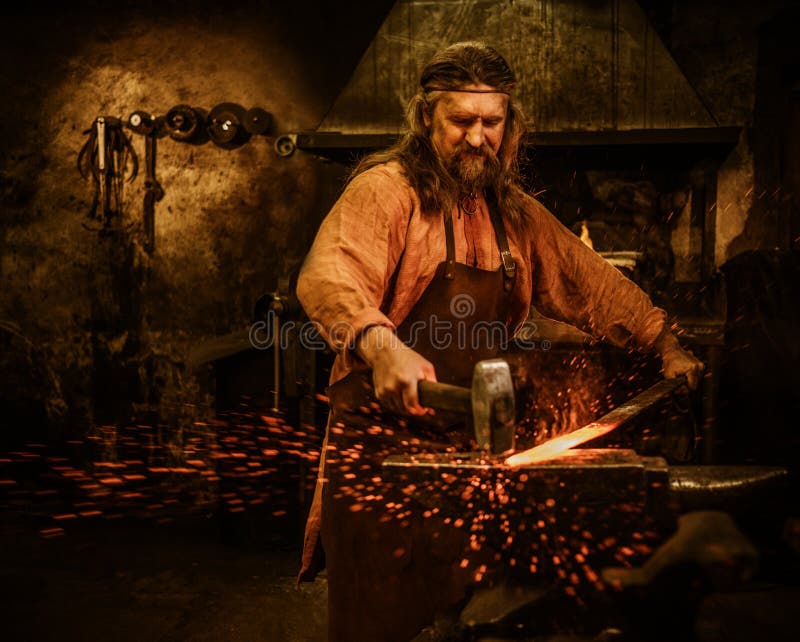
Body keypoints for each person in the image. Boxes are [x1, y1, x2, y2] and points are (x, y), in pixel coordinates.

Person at [296, 41, 703, 642]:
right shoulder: (386, 191)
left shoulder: (514, 213)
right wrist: (380, 345)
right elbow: (328, 273)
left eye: (492, 122)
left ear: (510, 125)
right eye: (461, 121)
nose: (478, 137)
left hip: (472, 449)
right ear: (426, 118)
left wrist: (663, 339)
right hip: (382, 453)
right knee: (381, 617)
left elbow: (590, 282)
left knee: (475, 612)